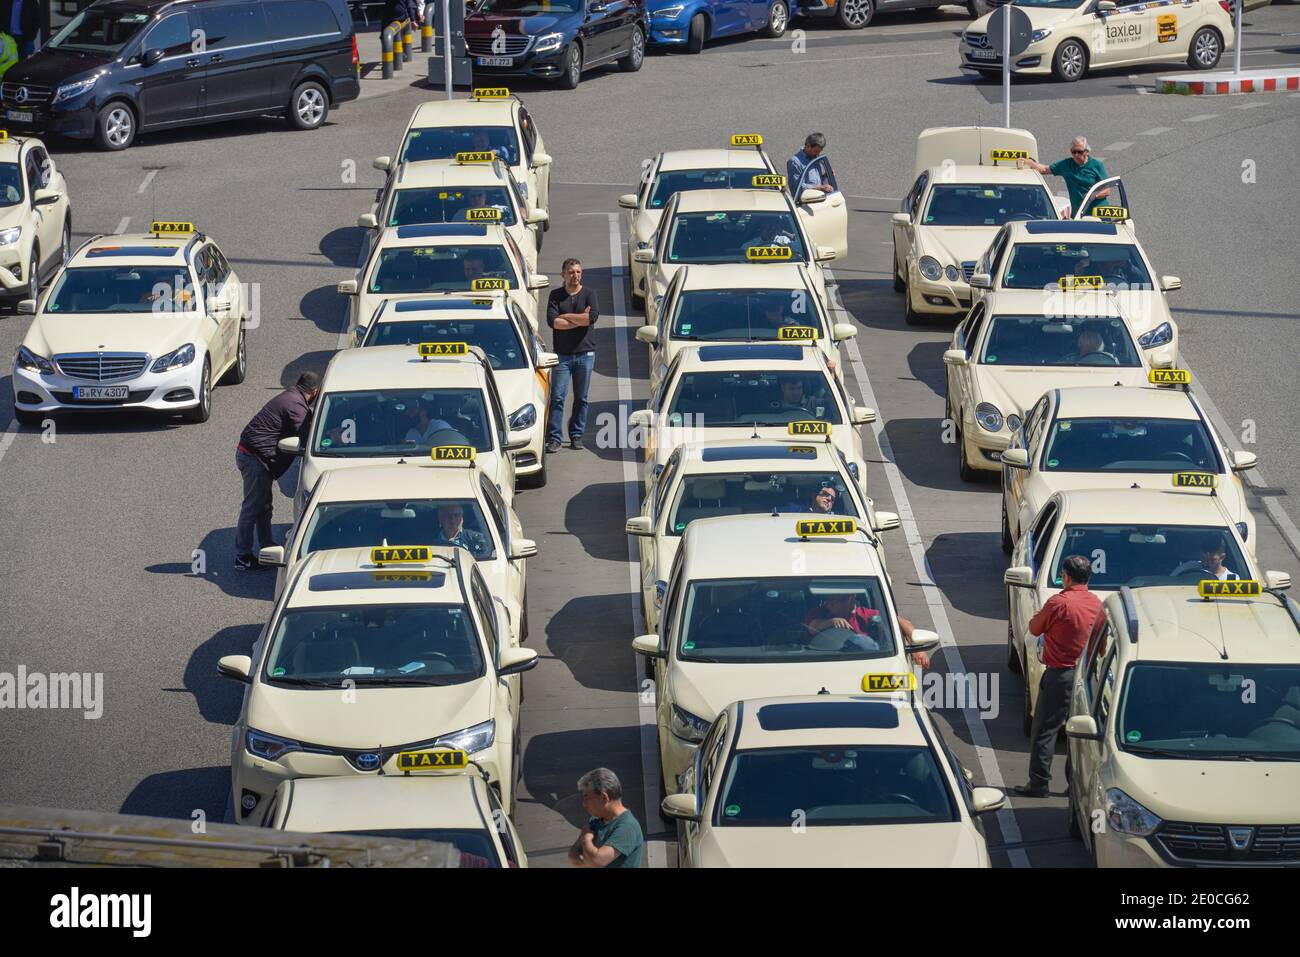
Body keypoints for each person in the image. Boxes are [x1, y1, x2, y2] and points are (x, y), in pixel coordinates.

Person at [1014, 554, 1103, 798]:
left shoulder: (1059, 603)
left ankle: (1039, 782)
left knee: (1045, 730)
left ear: (1065, 576)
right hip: (1087, 678)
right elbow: (1102, 646)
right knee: (1079, 734)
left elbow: (1034, 628)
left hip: (1060, 675)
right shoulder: (1097, 605)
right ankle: (1074, 785)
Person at [235, 373, 320, 570]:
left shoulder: (291, 397)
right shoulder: (295, 405)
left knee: (263, 507)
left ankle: (267, 547)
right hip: (254, 459)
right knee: (251, 508)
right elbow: (307, 436)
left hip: (254, 457)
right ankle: (242, 556)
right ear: (314, 391)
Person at [546, 257, 598, 452]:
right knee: (558, 397)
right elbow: (554, 322)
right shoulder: (555, 295)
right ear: (563, 275)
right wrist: (579, 319)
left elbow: (590, 319)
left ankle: (576, 435)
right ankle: (555, 437)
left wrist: (565, 316)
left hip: (585, 354)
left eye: (578, 272)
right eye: (571, 272)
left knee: (581, 398)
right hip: (562, 356)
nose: (575, 275)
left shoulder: (589, 294)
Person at [804, 592, 931, 668]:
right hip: (822, 662)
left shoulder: (865, 614)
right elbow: (812, 627)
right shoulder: (818, 614)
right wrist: (830, 622)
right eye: (843, 598)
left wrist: (918, 650)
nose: (852, 599)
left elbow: (902, 622)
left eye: (851, 596)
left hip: (864, 662)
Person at [567, 768, 643, 869]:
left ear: (604, 797)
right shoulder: (596, 819)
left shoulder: (627, 827)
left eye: (587, 797)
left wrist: (586, 839)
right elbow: (573, 855)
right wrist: (589, 860)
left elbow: (597, 861)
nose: (584, 804)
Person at [1018, 137, 1109, 217]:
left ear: (1086, 151)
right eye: (1073, 152)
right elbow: (1045, 169)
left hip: (1098, 213)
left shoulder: (1096, 165)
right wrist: (1030, 163)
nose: (1076, 155)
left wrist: (1092, 195)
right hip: (1078, 213)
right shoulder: (1066, 164)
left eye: (1079, 152)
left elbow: (1107, 190)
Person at [1170, 533, 1240, 582]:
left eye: (1212, 559)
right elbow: (1170, 581)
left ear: (1222, 557)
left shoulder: (1231, 579)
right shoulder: (1187, 567)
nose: (1206, 563)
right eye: (1203, 557)